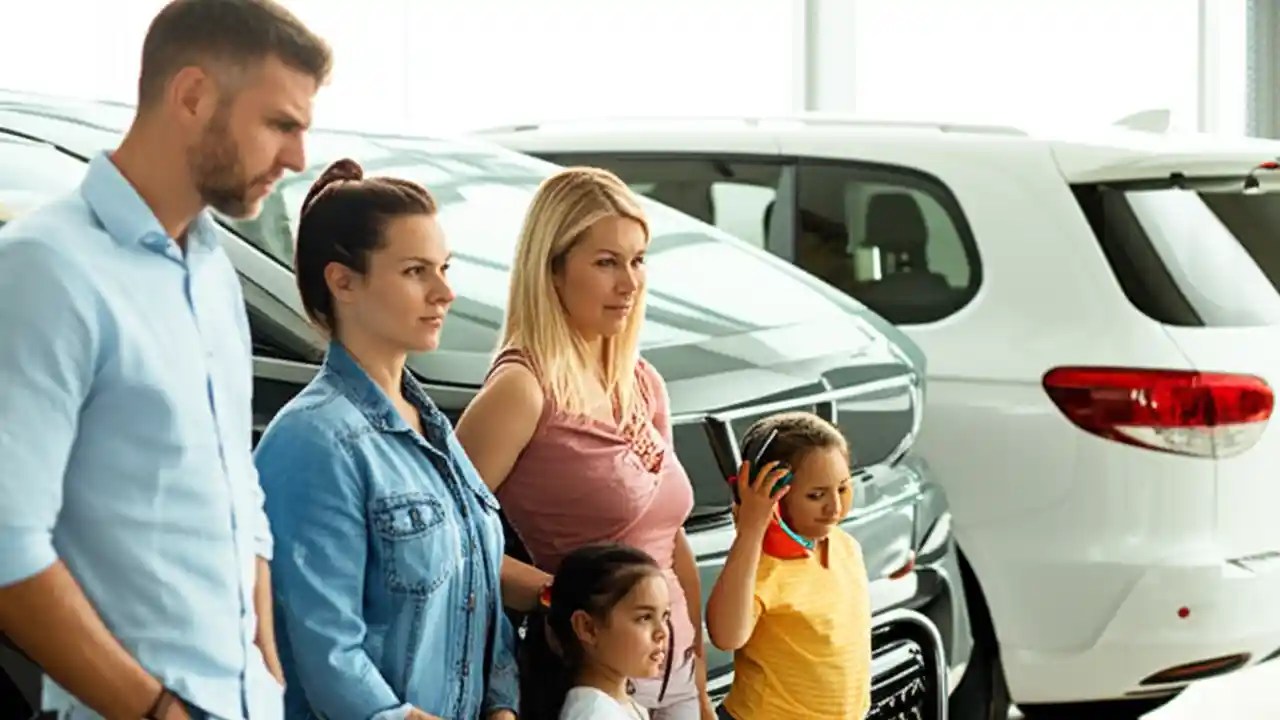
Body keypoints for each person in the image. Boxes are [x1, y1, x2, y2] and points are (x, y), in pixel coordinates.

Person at [0, 2, 330, 719]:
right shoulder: (44, 269)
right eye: (281, 124)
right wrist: (159, 712)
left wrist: (263, 668)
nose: (300, 158)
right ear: (192, 96)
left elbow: (238, 492)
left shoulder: (210, 268)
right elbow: (5, 543)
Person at [253, 158, 518, 720]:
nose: (444, 292)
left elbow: (480, 599)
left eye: (445, 268)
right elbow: (324, 651)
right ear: (343, 281)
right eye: (416, 271)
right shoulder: (313, 442)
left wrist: (502, 705)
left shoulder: (435, 430)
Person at [455, 167, 715, 720]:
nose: (630, 282)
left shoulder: (642, 382)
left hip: (678, 676)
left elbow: (673, 538)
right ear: (552, 270)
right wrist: (557, 594)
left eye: (638, 260)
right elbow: (443, 540)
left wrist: (699, 674)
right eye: (606, 262)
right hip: (600, 689)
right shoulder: (521, 389)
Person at [706, 411, 873, 720]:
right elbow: (727, 635)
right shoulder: (762, 567)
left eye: (842, 488)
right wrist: (752, 529)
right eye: (815, 495)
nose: (834, 507)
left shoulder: (846, 547)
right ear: (775, 498)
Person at [522, 543, 672, 720]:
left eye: (665, 616)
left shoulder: (616, 705)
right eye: (644, 618)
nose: (662, 632)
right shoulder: (594, 714)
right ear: (588, 628)